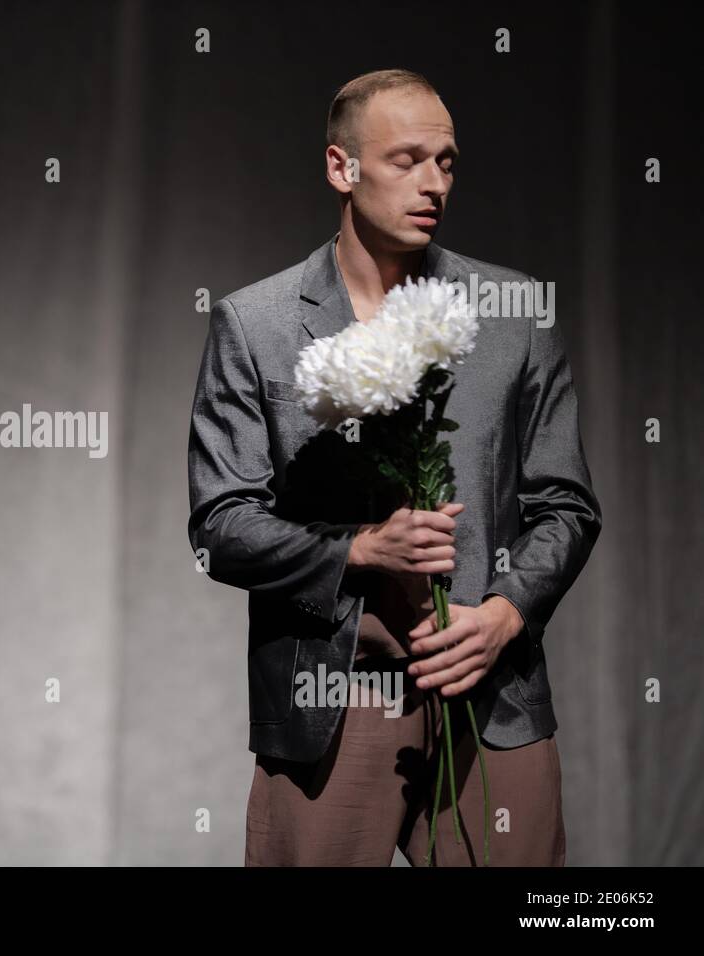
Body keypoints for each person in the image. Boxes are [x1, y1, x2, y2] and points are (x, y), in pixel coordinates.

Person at [187, 70, 601, 865]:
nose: (433, 182)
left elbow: (568, 506)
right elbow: (220, 524)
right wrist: (357, 550)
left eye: (446, 162)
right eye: (407, 159)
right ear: (342, 168)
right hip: (335, 699)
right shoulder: (257, 322)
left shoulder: (512, 315)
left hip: (490, 691)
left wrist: (506, 617)